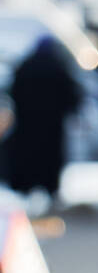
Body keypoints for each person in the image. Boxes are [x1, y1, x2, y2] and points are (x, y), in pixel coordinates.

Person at [5, 37, 83, 199]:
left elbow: (13, 92)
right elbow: (71, 94)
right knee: (49, 159)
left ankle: (25, 188)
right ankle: (49, 188)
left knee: (27, 156)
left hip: (27, 125)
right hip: (52, 126)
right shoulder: (58, 67)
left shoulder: (25, 66)